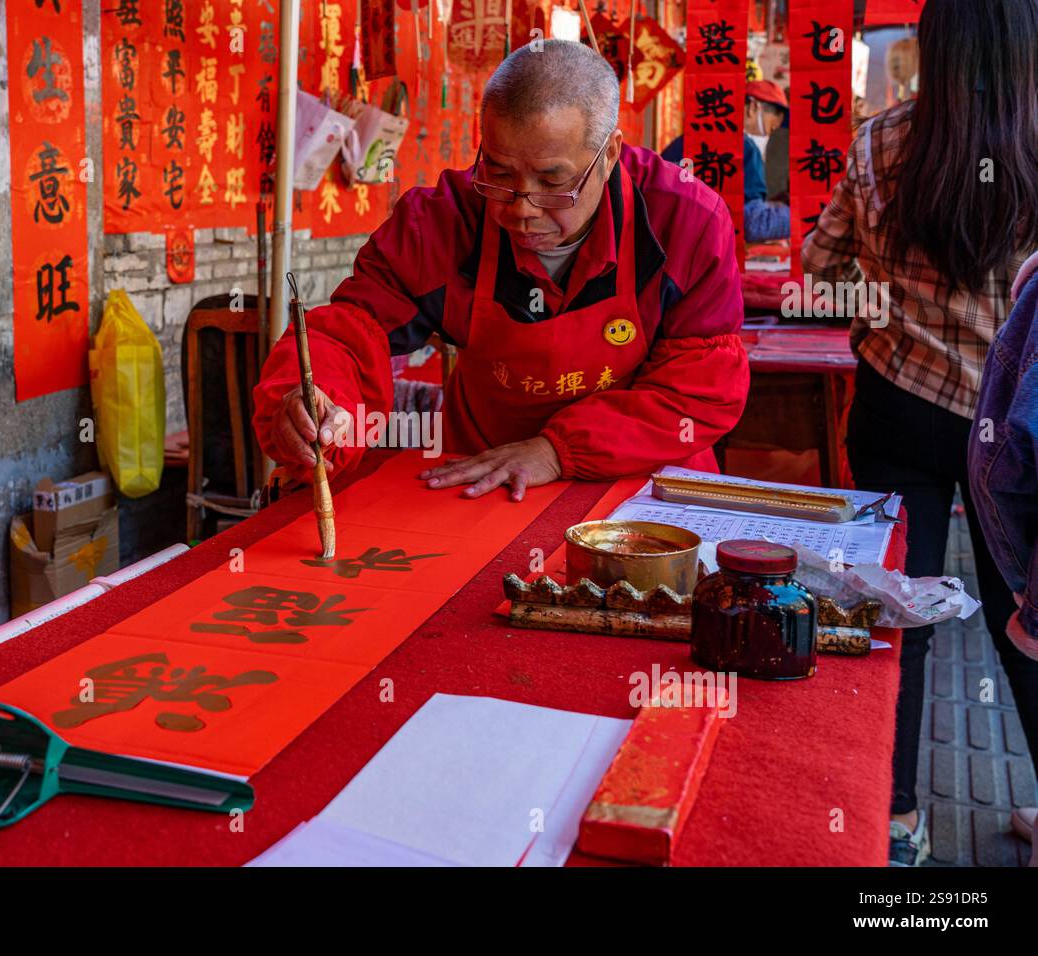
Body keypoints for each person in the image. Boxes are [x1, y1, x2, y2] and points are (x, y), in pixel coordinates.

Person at [253, 40, 749, 499]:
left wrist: (557, 450)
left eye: (553, 181)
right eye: (499, 173)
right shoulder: (443, 222)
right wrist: (314, 396)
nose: (522, 208)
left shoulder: (683, 221)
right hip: (483, 481)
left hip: (642, 485)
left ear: (609, 154)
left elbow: (701, 387)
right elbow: (352, 330)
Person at [803, 0, 1038, 867]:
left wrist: (889, 306)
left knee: (893, 613)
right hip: (1019, 425)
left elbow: (819, 268)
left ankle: (892, 822)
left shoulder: (878, 144)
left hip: (899, 407)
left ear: (931, 47)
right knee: (1029, 615)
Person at [970, 250, 1038, 867]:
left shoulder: (876, 153)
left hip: (907, 393)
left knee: (903, 626)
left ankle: (904, 812)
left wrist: (1028, 594)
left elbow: (1006, 465)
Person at [661, 80, 791, 243]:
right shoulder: (747, 150)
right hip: (709, 250)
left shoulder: (684, 141)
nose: (775, 128)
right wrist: (804, 215)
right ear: (753, 107)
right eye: (775, 119)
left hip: (669, 243)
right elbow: (752, 223)